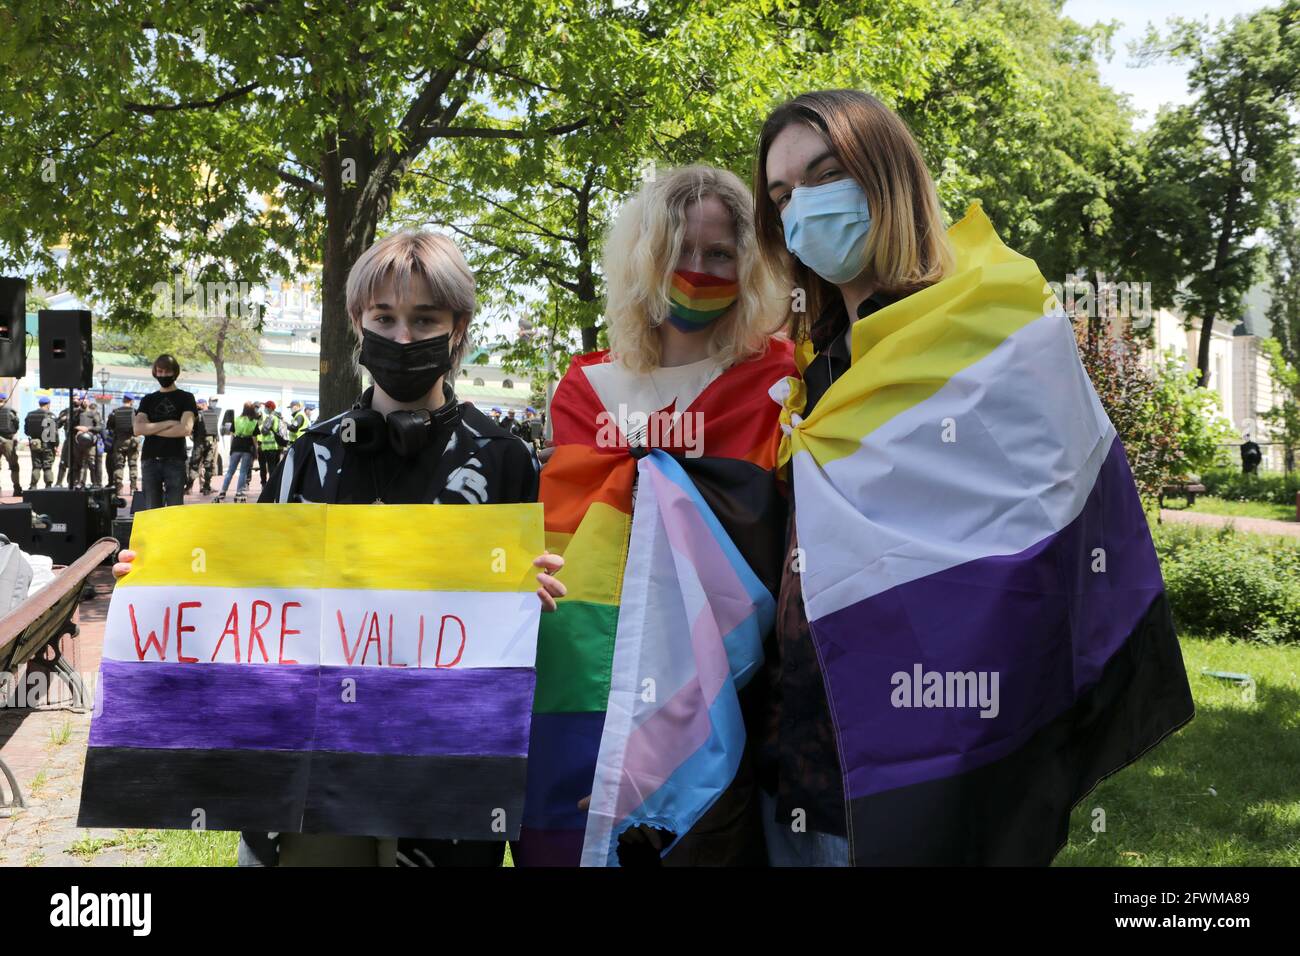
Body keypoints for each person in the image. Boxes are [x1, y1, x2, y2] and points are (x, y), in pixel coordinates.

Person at [751, 89, 1191, 866]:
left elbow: (1065, 518)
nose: (802, 210)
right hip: (807, 743)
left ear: (883, 173)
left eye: (823, 177)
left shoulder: (997, 331)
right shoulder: (809, 371)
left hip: (943, 732)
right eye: (783, 196)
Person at [118, 228, 566, 866]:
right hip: (313, 761)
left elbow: (528, 618)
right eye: (385, 317)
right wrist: (161, 584)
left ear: (458, 326)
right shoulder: (310, 455)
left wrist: (537, 592)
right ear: (358, 320)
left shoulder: (505, 460)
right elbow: (257, 591)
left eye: (424, 318)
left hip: (445, 771)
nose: (403, 337)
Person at [517, 164, 795, 867]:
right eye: (679, 253)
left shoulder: (781, 384)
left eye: (720, 253)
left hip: (734, 685)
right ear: (646, 261)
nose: (697, 272)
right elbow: (570, 542)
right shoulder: (587, 388)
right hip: (591, 680)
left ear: (752, 263)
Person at [134, 354, 197, 509]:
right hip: (150, 460)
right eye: (159, 371)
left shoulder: (186, 398)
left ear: (174, 372)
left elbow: (185, 429)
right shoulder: (148, 399)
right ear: (155, 372)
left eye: (166, 372)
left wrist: (151, 428)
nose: (162, 375)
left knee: (175, 509)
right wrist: (169, 423)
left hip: (175, 459)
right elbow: (138, 429)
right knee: (151, 509)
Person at [214, 402, 258, 503]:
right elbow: (254, 438)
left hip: (236, 445)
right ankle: (239, 492)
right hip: (247, 446)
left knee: (230, 471)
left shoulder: (236, 419)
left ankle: (223, 491)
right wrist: (256, 450)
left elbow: (232, 435)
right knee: (243, 471)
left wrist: (231, 448)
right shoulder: (253, 422)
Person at [69, 395, 103, 489]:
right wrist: (77, 427)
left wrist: (88, 429)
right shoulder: (76, 413)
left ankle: (95, 483)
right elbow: (70, 426)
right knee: (79, 463)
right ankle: (80, 482)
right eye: (81, 400)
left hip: (91, 442)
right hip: (78, 442)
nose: (83, 401)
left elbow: (99, 427)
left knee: (92, 463)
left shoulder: (94, 413)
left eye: (85, 399)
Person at [108, 394, 140, 493]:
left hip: (119, 441)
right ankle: (133, 488)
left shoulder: (115, 412)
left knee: (119, 465)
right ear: (132, 401)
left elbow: (109, 426)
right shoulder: (135, 412)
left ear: (123, 400)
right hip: (133, 441)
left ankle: (118, 487)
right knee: (133, 465)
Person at [24, 397, 56, 489]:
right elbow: (54, 433)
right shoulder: (50, 415)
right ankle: (48, 486)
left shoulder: (30, 415)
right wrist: (56, 445)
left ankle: (33, 486)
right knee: (47, 466)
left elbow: (26, 431)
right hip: (48, 445)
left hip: (35, 444)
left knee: (36, 466)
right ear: (48, 404)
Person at [256, 399, 285, 487]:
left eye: (266, 407)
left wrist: (262, 427)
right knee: (276, 467)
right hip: (278, 447)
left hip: (270, 447)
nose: (265, 409)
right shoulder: (279, 417)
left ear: (269, 408)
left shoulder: (271, 417)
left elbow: (264, 431)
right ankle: (276, 485)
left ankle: (271, 486)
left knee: (271, 467)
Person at [0, 393, 21, 497]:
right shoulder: (10, 411)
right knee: (14, 466)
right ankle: (17, 489)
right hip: (7, 440)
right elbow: (17, 425)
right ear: (5, 400)